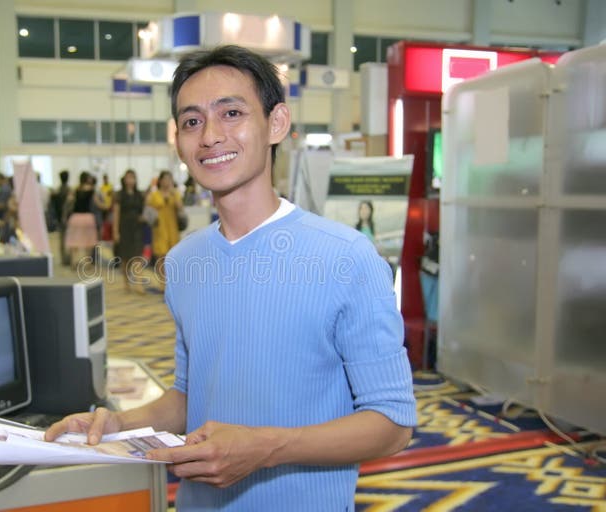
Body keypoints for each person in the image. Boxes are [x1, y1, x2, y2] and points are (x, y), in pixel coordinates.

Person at [46, 45, 416, 511]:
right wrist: (120, 424)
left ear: (276, 123)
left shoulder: (347, 257)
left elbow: (393, 423)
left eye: (232, 113)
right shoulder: (183, 262)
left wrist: (267, 447)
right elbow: (191, 395)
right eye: (192, 121)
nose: (210, 136)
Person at [145, 170, 184, 287]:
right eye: (164, 179)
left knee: (173, 255)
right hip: (159, 228)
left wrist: (174, 195)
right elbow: (148, 211)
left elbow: (181, 209)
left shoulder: (175, 193)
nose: (167, 182)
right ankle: (163, 283)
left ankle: (172, 282)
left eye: (169, 179)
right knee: (161, 255)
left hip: (172, 227)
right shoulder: (154, 195)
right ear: (160, 181)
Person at [112, 169, 146, 293]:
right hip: (124, 228)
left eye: (133, 177)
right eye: (128, 177)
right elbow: (116, 214)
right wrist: (115, 231)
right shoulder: (119, 195)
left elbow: (143, 211)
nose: (130, 180)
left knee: (138, 256)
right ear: (124, 179)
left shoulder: (139, 195)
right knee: (125, 258)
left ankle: (139, 284)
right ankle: (126, 281)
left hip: (137, 227)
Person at [64, 171, 99, 270]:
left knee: (74, 241)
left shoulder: (75, 189)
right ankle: (87, 263)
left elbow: (69, 201)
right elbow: (98, 203)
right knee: (89, 241)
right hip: (87, 218)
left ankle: (74, 262)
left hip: (75, 218)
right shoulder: (92, 190)